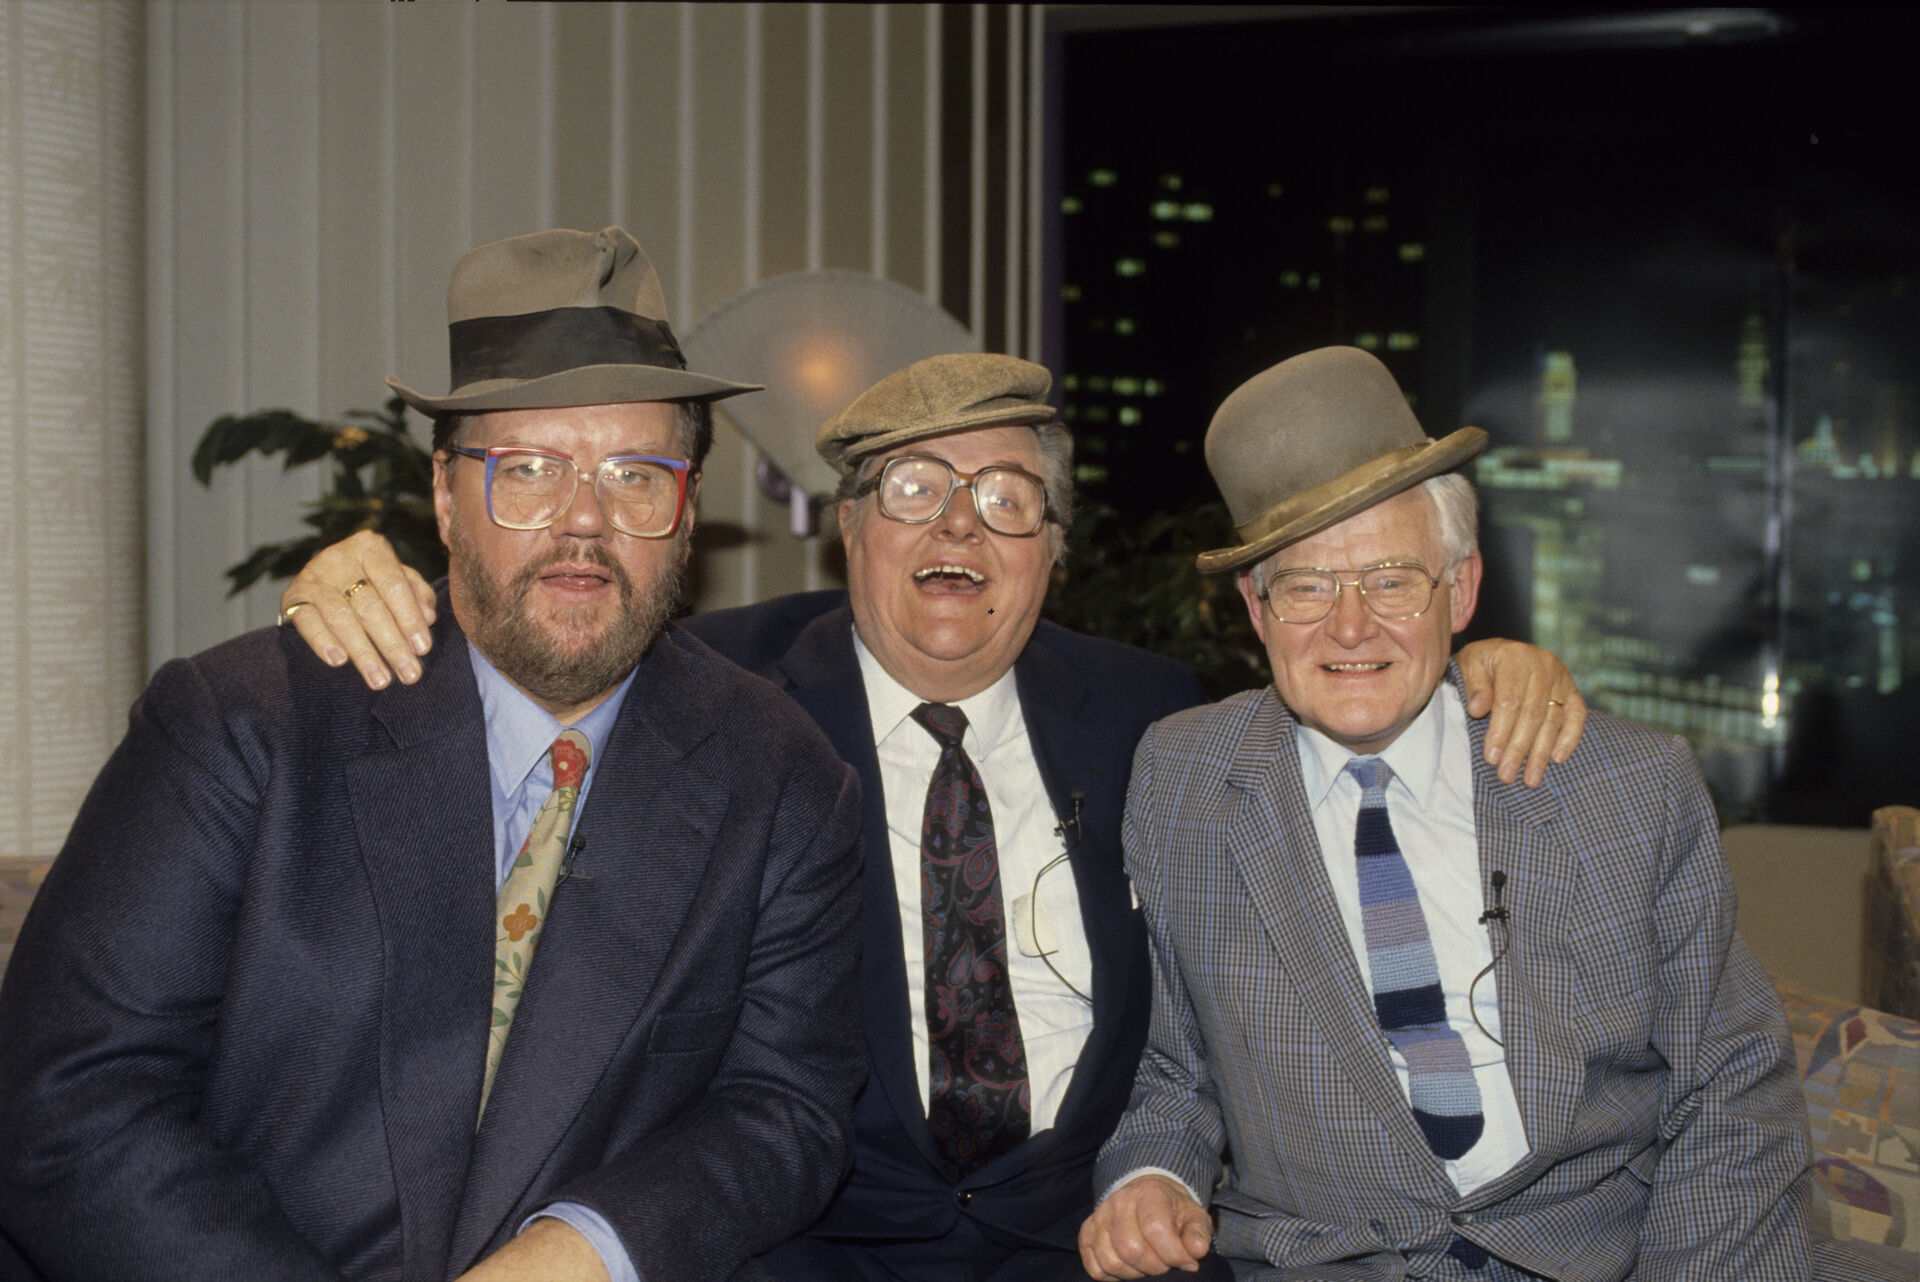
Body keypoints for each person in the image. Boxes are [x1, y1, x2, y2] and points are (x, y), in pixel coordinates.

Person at [279, 353, 1587, 1281]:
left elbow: (1347, 689)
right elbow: (548, 642)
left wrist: (1480, 674)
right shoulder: (719, 698)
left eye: (1007, 498)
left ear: (1053, 546)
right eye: (913, 489)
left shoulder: (1152, 713)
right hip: (807, 1250)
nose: (959, 524)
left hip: (1097, 1247)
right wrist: (368, 584)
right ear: (847, 528)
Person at [0, 227, 868, 1282]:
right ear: (446, 499)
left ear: (686, 513)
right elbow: (69, 1104)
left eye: (637, 474)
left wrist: (586, 1249)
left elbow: (784, 1109)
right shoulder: (244, 726)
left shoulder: (778, 777)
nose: (584, 519)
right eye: (528, 470)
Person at [1079, 346, 1811, 1282]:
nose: (1351, 627)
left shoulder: (1623, 782)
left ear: (1459, 590)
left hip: (1607, 1259)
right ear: (1256, 611)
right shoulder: (1182, 780)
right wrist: (1151, 1177)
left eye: (1391, 579)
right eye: (1306, 586)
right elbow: (1171, 1066)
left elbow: (1732, 1085)